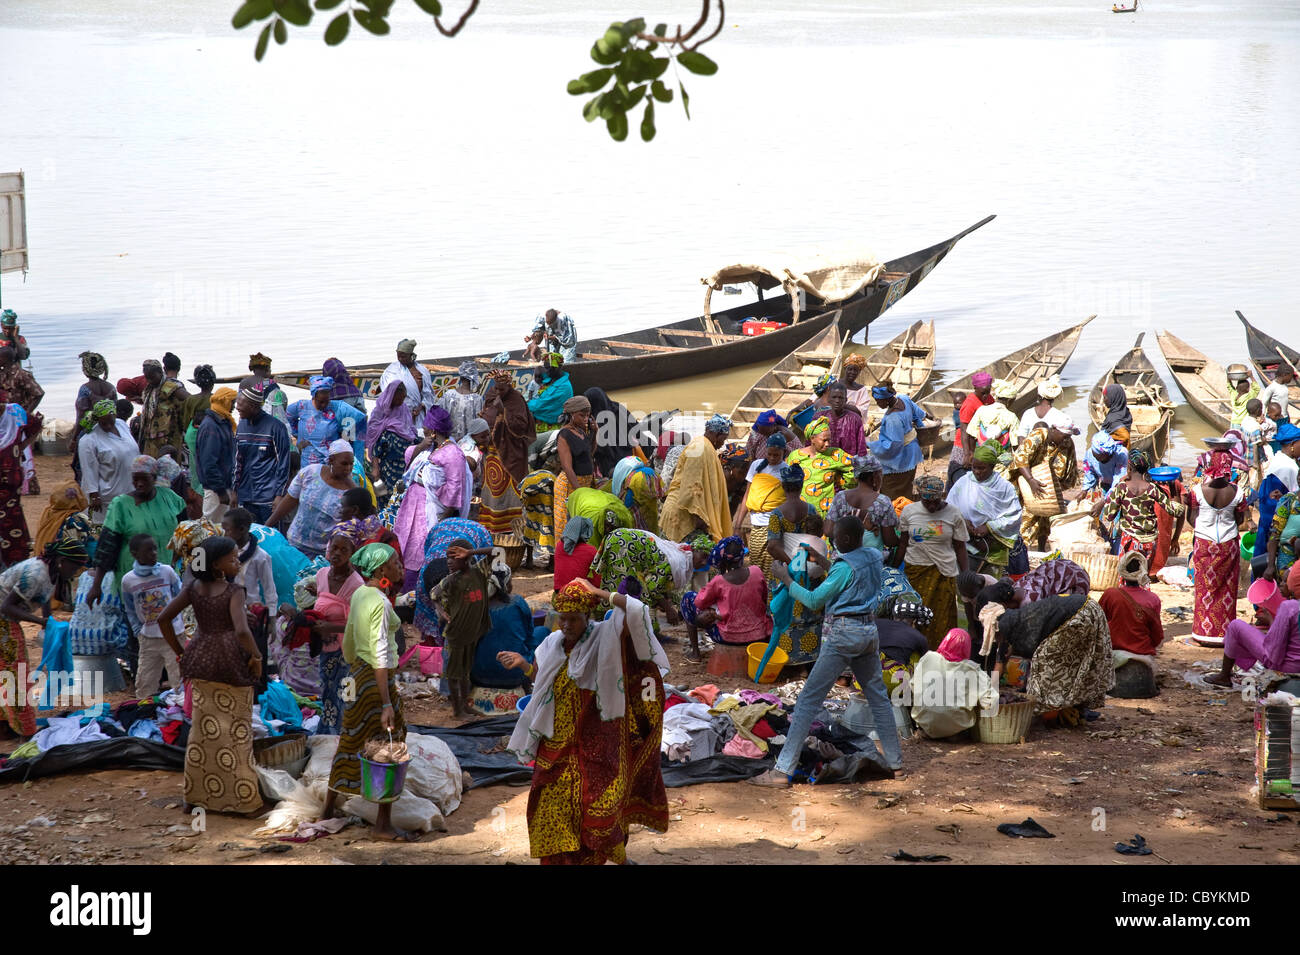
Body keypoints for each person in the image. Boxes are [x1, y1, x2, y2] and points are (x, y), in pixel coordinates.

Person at [506, 577, 669, 863]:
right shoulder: (552, 644)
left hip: (597, 748)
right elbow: (543, 682)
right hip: (556, 748)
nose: (566, 626)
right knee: (548, 806)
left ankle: (609, 854)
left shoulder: (605, 639)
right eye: (562, 619)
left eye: (573, 620)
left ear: (588, 617)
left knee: (599, 811)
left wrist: (598, 593)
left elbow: (638, 612)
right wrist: (523, 665)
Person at [753, 516, 903, 786]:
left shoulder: (843, 567)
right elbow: (847, 575)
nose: (831, 540)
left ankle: (782, 770)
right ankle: (895, 763)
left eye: (835, 537)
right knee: (879, 698)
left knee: (808, 701)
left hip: (843, 635)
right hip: (868, 632)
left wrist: (786, 579)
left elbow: (813, 599)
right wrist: (822, 561)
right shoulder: (871, 554)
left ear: (844, 540)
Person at [317, 542, 415, 840]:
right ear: (381, 569)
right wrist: (386, 702)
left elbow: (349, 639)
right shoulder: (380, 603)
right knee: (389, 743)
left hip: (358, 674)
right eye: (395, 562)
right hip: (376, 682)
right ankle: (382, 825)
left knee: (350, 739)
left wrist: (354, 667)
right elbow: (381, 652)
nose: (400, 566)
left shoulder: (361, 593)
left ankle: (328, 810)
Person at [158, 536, 262, 815]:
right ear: (216, 564)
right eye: (232, 558)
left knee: (202, 731)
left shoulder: (193, 588)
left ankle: (194, 797)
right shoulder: (233, 591)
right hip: (229, 660)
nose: (237, 562)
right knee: (236, 733)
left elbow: (164, 619)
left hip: (199, 657)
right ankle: (244, 801)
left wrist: (181, 651)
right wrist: (257, 656)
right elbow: (241, 630)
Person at [1, 547, 89, 736]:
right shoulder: (36, 574)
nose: (74, 574)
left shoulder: (51, 570)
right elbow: (7, 606)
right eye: (74, 569)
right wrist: (41, 621)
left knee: (9, 674)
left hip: (7, 620)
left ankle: (6, 725)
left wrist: (47, 623)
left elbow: (45, 597)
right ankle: (26, 731)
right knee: (16, 677)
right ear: (62, 561)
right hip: (3, 620)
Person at [984, 593, 1114, 714]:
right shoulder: (1016, 618)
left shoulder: (1007, 626)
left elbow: (1000, 663)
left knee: (1043, 660)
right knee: (1075, 662)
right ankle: (1072, 706)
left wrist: (990, 695)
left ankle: (1045, 708)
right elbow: (1004, 657)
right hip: (1090, 608)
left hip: (1080, 614)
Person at [85, 455, 185, 609]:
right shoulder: (120, 505)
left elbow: (186, 530)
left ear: (154, 477)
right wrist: (96, 585)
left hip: (166, 576)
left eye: (144, 479)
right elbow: (107, 546)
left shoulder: (170, 498)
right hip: (134, 579)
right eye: (135, 479)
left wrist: (177, 558)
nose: (139, 484)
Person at [393, 407, 470, 589]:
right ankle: (405, 590)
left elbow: (454, 487)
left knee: (421, 550)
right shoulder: (430, 448)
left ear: (434, 431)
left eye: (426, 427)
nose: (423, 429)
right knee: (406, 546)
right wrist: (422, 445)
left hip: (430, 512)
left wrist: (442, 521)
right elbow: (410, 458)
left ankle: (419, 590)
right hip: (413, 506)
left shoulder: (452, 454)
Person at [895, 474, 969, 649]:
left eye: (935, 501)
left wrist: (966, 574)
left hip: (944, 574)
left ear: (942, 496)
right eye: (927, 502)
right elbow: (903, 543)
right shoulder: (909, 511)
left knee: (941, 620)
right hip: (915, 574)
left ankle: (941, 657)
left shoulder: (953, 513)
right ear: (919, 497)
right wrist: (893, 569)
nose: (932, 506)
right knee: (914, 618)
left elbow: (960, 547)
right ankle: (915, 657)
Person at [308, 523, 366, 734]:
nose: (337, 554)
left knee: (345, 692)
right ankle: (329, 731)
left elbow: (358, 624)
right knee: (327, 690)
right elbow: (326, 602)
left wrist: (329, 625)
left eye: (344, 550)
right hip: (326, 648)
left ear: (353, 553)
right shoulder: (322, 575)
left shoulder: (356, 584)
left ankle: (345, 733)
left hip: (346, 651)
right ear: (328, 548)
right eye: (334, 548)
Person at [1181, 452, 1246, 642]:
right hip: (1229, 543)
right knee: (1227, 588)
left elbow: (1191, 519)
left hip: (1205, 543)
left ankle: (1203, 632)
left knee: (1205, 588)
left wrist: (1203, 527)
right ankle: (1225, 634)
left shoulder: (1197, 491)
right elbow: (1240, 520)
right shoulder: (1238, 492)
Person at [431, 540, 495, 718]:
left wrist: (472, 552)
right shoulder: (450, 580)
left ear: (466, 558)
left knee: (466, 671)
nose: (449, 562)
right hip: (455, 634)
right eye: (447, 558)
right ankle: (457, 710)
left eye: (454, 557)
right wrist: (442, 612)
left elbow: (496, 551)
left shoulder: (479, 571)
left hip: (472, 632)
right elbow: (433, 595)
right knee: (453, 673)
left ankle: (465, 705)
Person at [590, 527, 708, 625]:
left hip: (621, 539)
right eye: (703, 556)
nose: (703, 563)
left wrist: (667, 604)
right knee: (631, 592)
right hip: (623, 545)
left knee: (627, 590)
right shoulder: (675, 562)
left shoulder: (680, 557)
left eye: (707, 560)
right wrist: (668, 609)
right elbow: (652, 587)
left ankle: (616, 626)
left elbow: (658, 584)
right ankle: (622, 629)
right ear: (694, 550)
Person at [266, 439, 356, 559]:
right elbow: (290, 500)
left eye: (351, 464)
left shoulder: (351, 492)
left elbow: (349, 526)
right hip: (294, 545)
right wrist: (267, 526)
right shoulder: (310, 473)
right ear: (331, 460)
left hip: (323, 555)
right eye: (344, 464)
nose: (348, 468)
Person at [120, 533, 185, 697]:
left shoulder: (166, 572)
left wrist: (181, 622)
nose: (154, 553)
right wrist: (138, 631)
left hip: (175, 635)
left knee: (179, 678)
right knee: (145, 681)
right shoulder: (128, 580)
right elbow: (130, 609)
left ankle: (180, 712)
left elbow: (181, 595)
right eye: (148, 551)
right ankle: (145, 711)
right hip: (148, 638)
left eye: (155, 549)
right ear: (135, 554)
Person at [948, 442, 1025, 578]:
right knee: (965, 581)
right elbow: (949, 508)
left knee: (988, 583)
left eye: (982, 468)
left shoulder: (1004, 488)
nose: (977, 472)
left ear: (992, 467)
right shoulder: (963, 483)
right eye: (974, 467)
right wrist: (963, 521)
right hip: (965, 541)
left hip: (991, 544)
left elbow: (1014, 515)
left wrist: (989, 527)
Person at [1099, 449, 1183, 570]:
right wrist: (1173, 489)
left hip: (1130, 539)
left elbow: (1109, 515)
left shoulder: (1122, 487)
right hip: (1149, 542)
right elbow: (1176, 511)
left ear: (1129, 468)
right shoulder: (1152, 488)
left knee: (1127, 572)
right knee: (1143, 573)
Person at [1205, 580, 1300, 687]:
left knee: (1235, 626)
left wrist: (1270, 620)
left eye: (1286, 581)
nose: (1281, 584)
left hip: (1288, 667)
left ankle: (1224, 676)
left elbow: (1274, 654)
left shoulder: (1289, 607)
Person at [471, 566, 545, 701]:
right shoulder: (517, 602)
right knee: (543, 633)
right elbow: (529, 637)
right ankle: (530, 681)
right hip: (516, 675)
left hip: (478, 675)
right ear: (505, 584)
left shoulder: (474, 606)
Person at [908, 628, 997, 739]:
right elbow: (990, 701)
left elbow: (913, 685)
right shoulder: (972, 669)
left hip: (925, 724)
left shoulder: (928, 658)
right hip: (957, 729)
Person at [689, 536, 770, 657]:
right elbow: (764, 598)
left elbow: (699, 602)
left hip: (728, 637)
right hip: (760, 635)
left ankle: (695, 653)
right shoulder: (756, 572)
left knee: (688, 598)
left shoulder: (719, 581)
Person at [660, 414, 735, 543]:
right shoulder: (699, 448)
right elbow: (691, 486)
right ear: (716, 435)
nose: (723, 444)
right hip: (683, 514)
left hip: (689, 513)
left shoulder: (705, 447)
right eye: (723, 439)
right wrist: (700, 518)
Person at [1098, 551, 1164, 697]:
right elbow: (1157, 636)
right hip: (1143, 655)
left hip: (1114, 653)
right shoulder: (1153, 599)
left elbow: (1098, 623)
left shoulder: (1111, 594)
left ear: (1121, 571)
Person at [1012, 416, 1081, 550]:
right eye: (1064, 435)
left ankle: (1041, 549)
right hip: (1026, 482)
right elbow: (1020, 458)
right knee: (1027, 520)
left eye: (1069, 436)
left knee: (1046, 521)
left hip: (1048, 488)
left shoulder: (1067, 444)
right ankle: (1020, 552)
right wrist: (1031, 480)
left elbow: (1070, 470)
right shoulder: (1039, 435)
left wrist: (1056, 487)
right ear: (1054, 429)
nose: (1067, 439)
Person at [234, 382, 292, 526]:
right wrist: (234, 491)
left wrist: (279, 495)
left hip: (268, 499)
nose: (237, 408)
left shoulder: (276, 427)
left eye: (241, 405)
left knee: (271, 538)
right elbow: (238, 461)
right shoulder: (241, 425)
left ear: (253, 406)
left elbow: (284, 463)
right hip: (246, 497)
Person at [78, 399, 139, 523]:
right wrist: (94, 495)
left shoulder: (121, 425)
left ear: (115, 415)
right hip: (107, 496)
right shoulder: (89, 440)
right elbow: (88, 469)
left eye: (111, 422)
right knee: (108, 528)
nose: (108, 426)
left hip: (129, 489)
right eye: (104, 423)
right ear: (97, 419)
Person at [286, 376, 367, 468]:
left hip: (329, 465)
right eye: (320, 402)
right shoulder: (301, 406)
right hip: (307, 464)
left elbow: (359, 418)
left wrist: (347, 438)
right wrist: (297, 433)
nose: (324, 405)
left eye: (327, 401)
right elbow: (288, 415)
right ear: (313, 396)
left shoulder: (336, 408)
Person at [825, 452, 899, 552]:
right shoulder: (883, 501)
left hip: (843, 557)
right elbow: (889, 541)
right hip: (871, 559)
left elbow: (828, 531)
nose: (882, 479)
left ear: (856, 477)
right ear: (873, 476)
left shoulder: (840, 497)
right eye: (881, 475)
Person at [869, 383, 929, 499]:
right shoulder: (904, 398)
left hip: (901, 459)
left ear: (886, 399)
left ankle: (896, 513)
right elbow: (918, 412)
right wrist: (928, 416)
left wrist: (871, 446)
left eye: (878, 401)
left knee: (892, 492)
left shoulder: (893, 418)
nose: (877, 403)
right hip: (913, 451)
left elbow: (892, 447)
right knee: (906, 487)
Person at [786, 417, 855, 517]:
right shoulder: (795, 456)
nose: (827, 444)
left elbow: (855, 467)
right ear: (812, 438)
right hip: (800, 512)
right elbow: (788, 482)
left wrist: (841, 480)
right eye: (824, 440)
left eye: (829, 440)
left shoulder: (835, 455)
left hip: (824, 514)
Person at [1256, 423, 1300, 577]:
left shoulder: (1278, 460)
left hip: (1267, 523)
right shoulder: (1289, 468)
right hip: (1276, 527)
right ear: (1293, 444)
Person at [366, 379, 417, 502]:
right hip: (387, 466)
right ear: (391, 396)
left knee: (402, 498)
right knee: (385, 496)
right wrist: (375, 468)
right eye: (399, 398)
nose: (401, 401)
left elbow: (410, 429)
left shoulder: (403, 409)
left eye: (404, 398)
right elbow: (374, 436)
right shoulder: (380, 410)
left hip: (404, 465)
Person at [483, 368, 536, 486]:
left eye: (501, 389)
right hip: (492, 447)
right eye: (496, 388)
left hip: (511, 448)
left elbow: (521, 426)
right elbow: (486, 411)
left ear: (509, 386)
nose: (497, 392)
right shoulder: (492, 394)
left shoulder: (516, 399)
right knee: (494, 479)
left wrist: (503, 410)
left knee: (510, 482)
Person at [553, 395, 595, 538]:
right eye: (582, 415)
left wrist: (595, 432)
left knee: (581, 525)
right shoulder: (564, 434)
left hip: (583, 484)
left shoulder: (582, 431)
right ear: (571, 415)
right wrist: (579, 492)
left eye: (588, 415)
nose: (585, 419)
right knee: (567, 527)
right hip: (569, 486)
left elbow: (589, 454)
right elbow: (567, 466)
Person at [70, 351, 117, 481]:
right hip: (109, 432)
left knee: (84, 470)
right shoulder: (111, 388)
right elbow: (114, 413)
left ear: (85, 370)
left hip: (89, 431)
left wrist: (74, 439)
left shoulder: (85, 389)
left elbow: (81, 416)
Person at [733, 434, 786, 547]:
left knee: (771, 560)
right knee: (756, 560)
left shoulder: (786, 471)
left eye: (776, 455)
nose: (772, 458)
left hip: (775, 524)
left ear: (783, 452)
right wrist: (738, 525)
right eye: (769, 454)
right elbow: (748, 495)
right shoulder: (756, 466)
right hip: (756, 523)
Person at [195, 386, 237, 523]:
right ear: (224, 402)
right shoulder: (210, 426)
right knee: (210, 529)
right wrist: (220, 491)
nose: (234, 407)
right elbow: (209, 464)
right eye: (232, 403)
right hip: (216, 491)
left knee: (222, 529)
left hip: (223, 487)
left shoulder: (223, 422)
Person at [138, 358, 188, 458]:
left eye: (152, 377)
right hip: (151, 438)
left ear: (161, 372)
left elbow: (189, 399)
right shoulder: (149, 390)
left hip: (169, 438)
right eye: (147, 378)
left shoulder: (169, 387)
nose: (150, 381)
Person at [378, 339, 436, 423]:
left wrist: (421, 406)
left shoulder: (422, 371)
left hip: (418, 416)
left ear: (411, 355)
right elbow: (388, 394)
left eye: (404, 356)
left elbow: (428, 394)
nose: (400, 359)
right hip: (398, 416)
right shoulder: (392, 371)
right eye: (398, 356)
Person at [611, 452, 662, 534]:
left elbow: (627, 504)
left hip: (635, 523)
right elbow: (661, 493)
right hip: (651, 516)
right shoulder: (651, 472)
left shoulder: (632, 479)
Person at [967, 378, 1021, 449]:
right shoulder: (1012, 417)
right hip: (1001, 455)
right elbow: (1015, 443)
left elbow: (971, 433)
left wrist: (971, 453)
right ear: (1010, 400)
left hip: (981, 452)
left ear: (997, 397)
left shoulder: (982, 409)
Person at [817, 381, 867, 456]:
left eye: (840, 398)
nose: (837, 401)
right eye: (834, 397)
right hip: (823, 463)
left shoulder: (855, 420)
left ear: (846, 400)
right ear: (829, 399)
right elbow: (811, 443)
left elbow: (861, 448)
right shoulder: (819, 418)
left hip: (848, 465)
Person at [438, 361, 485, 442]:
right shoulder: (477, 399)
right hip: (469, 444)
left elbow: (439, 418)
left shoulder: (448, 395)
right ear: (473, 379)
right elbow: (480, 424)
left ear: (460, 377)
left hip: (450, 442)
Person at [238, 353, 288, 426]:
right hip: (264, 422)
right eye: (270, 369)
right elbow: (277, 406)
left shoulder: (243, 382)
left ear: (254, 370)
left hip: (245, 422)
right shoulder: (270, 383)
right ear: (267, 370)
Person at [526, 357, 575, 433]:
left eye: (548, 368)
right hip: (539, 423)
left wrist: (527, 404)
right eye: (545, 367)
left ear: (558, 367)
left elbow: (543, 404)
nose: (546, 371)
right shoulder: (549, 379)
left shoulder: (564, 387)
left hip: (552, 428)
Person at [555, 516, 601, 591]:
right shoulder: (591, 550)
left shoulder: (559, 545)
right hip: (578, 593)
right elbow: (598, 581)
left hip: (558, 591)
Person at [1017, 375, 1067, 440]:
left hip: (1029, 448)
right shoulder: (1060, 415)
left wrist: (1024, 449)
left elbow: (1021, 436)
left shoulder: (1028, 413)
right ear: (1054, 397)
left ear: (1038, 395)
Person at [0, 345, 42, 414]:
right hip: (6, 414)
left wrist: (26, 413)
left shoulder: (21, 374)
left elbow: (39, 394)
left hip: (19, 414)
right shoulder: (2, 373)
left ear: (5, 359)